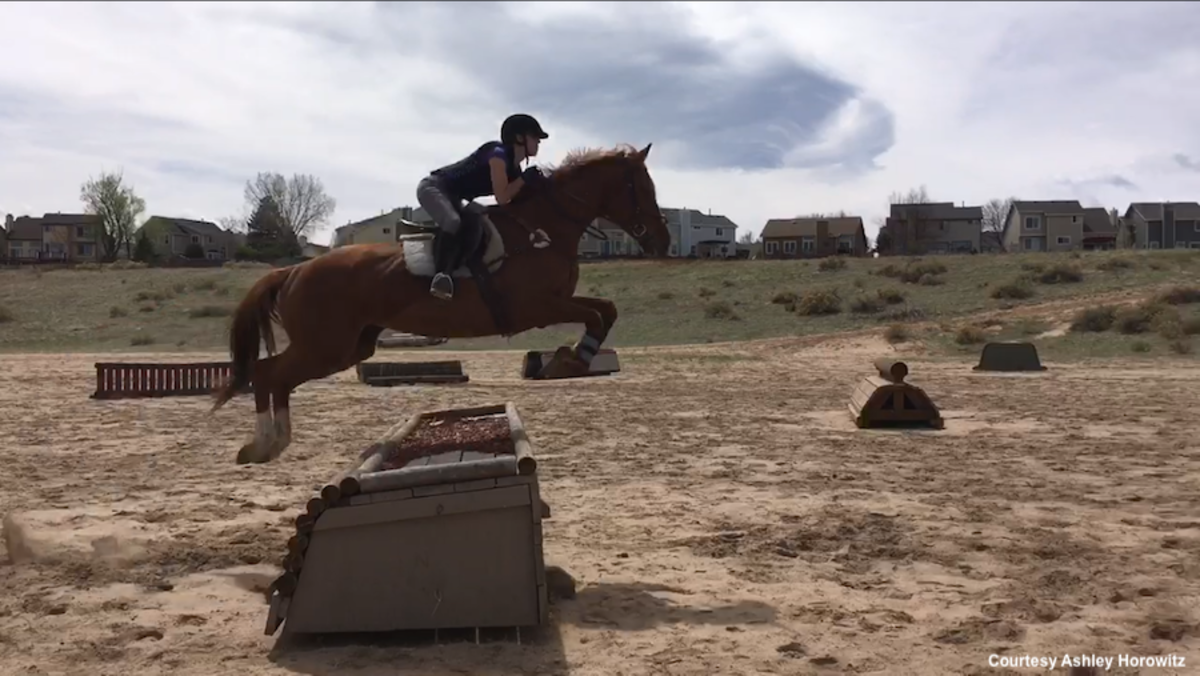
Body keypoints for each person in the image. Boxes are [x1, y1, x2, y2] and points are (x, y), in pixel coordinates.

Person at [416, 113, 549, 300]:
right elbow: (502, 197)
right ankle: (441, 276)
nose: (538, 142)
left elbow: (512, 206)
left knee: (476, 223)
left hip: (454, 196)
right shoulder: (497, 154)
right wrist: (524, 179)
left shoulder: (514, 170)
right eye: (535, 137)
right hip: (433, 187)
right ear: (519, 138)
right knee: (454, 221)